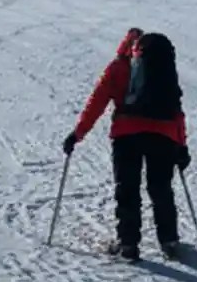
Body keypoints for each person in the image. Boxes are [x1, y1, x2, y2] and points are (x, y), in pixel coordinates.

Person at [63, 28, 190, 262]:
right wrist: (182, 147)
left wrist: (77, 134)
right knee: (160, 187)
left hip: (127, 134)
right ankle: (169, 241)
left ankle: (128, 245)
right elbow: (176, 110)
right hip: (164, 135)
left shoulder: (118, 67)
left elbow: (97, 102)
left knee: (128, 189)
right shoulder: (162, 67)